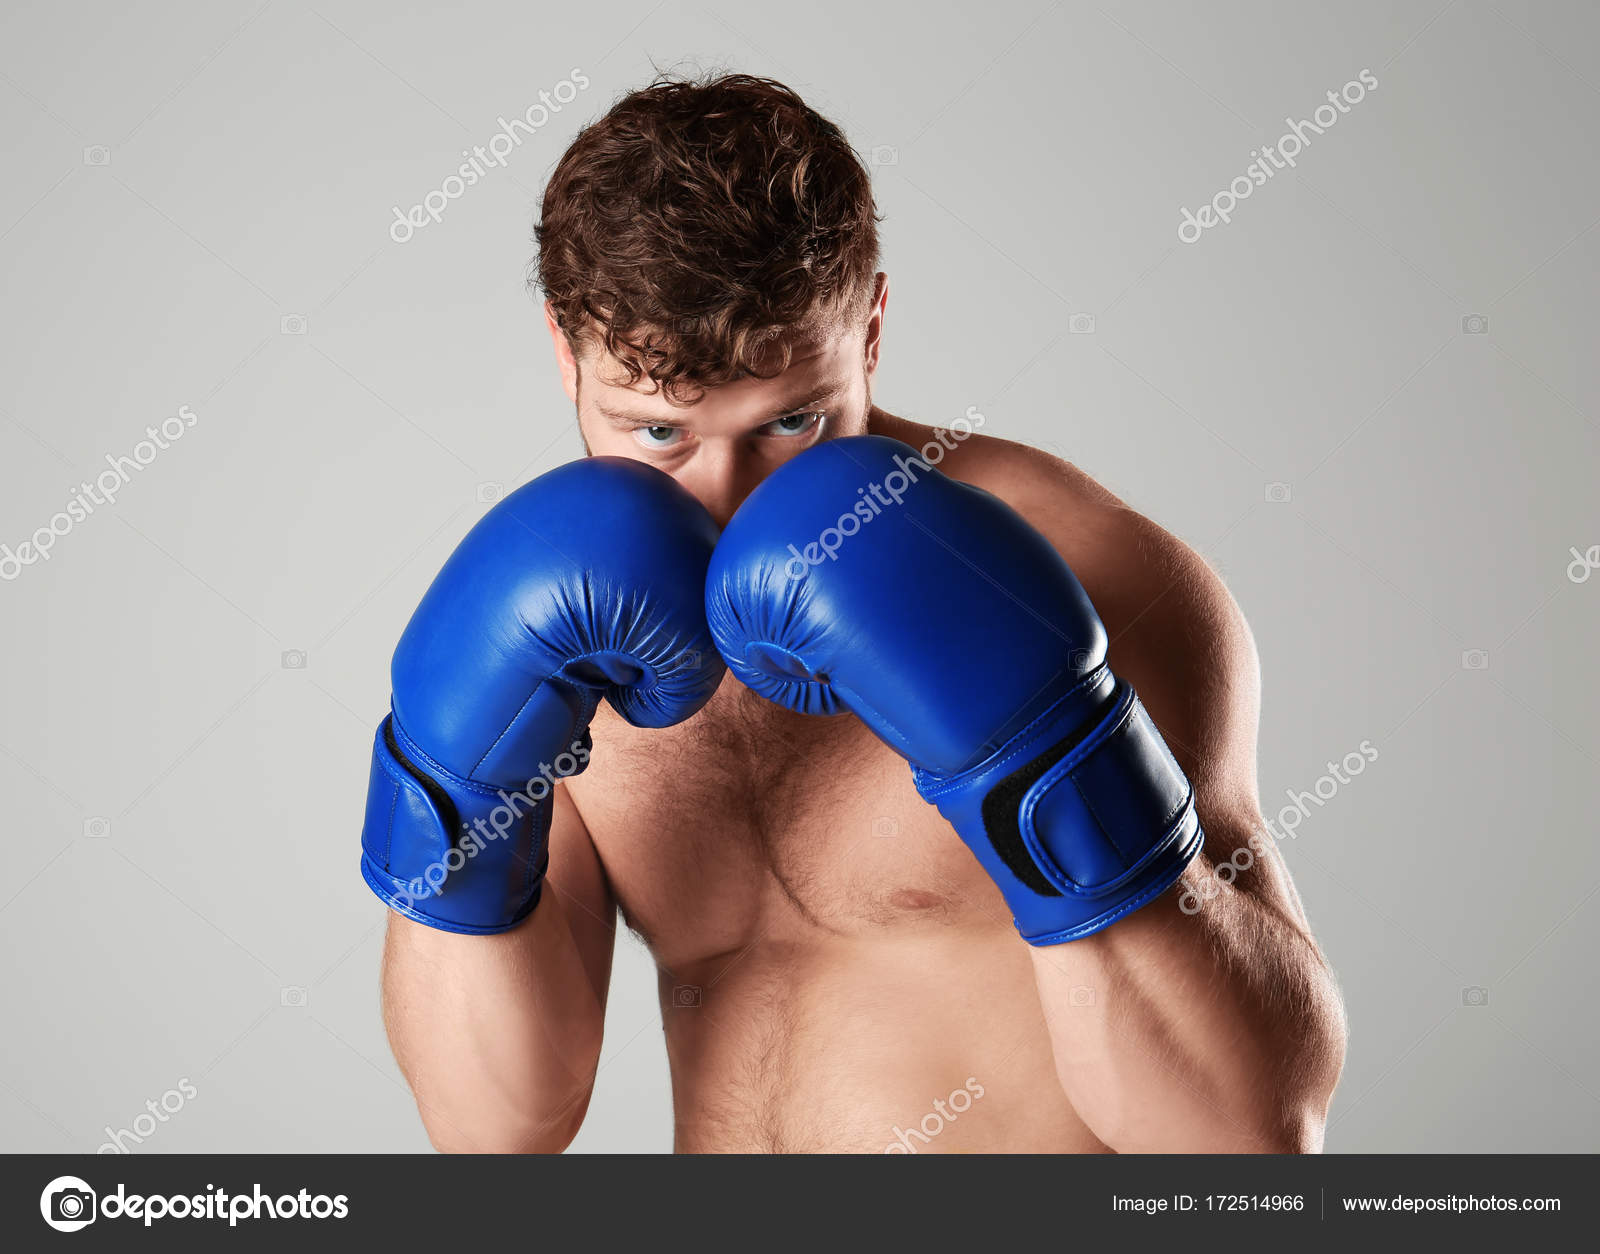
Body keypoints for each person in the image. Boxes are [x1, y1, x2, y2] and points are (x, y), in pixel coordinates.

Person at [360, 73, 1347, 1153]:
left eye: (790, 422)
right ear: (565, 352)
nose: (728, 498)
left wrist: (1056, 751)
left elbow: (1251, 1134)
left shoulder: (1081, 571)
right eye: (658, 434)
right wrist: (453, 790)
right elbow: (494, 1125)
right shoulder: (560, 618)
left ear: (869, 329)